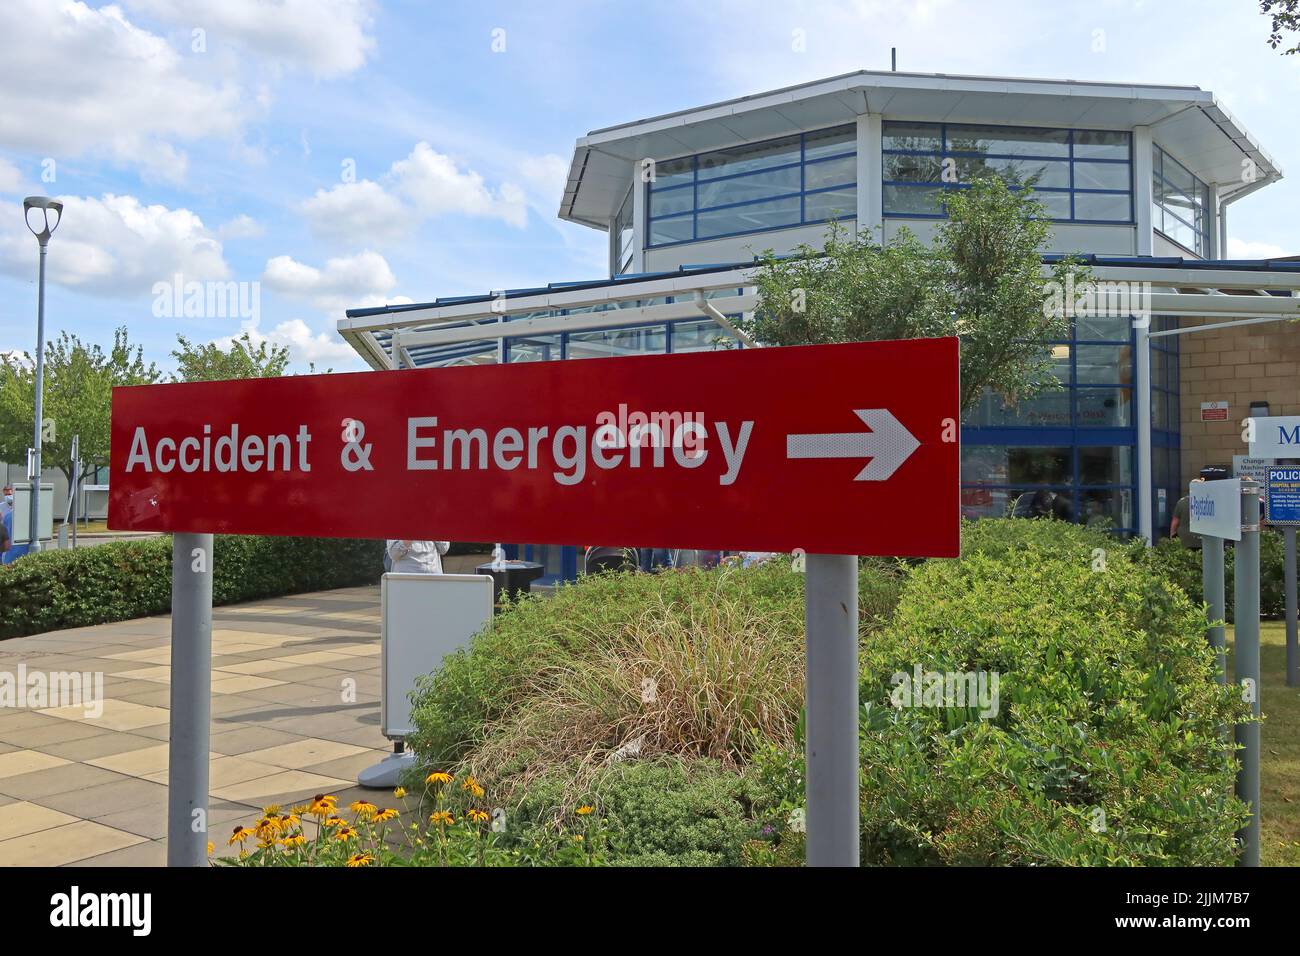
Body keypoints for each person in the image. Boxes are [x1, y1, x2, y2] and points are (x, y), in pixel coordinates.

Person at [1170, 477, 1205, 549]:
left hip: (1184, 539)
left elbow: (1175, 522)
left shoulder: (1181, 502)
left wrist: (1172, 535)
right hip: (1201, 539)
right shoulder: (1206, 502)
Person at [385, 539, 450, 574]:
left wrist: (433, 527)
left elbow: (444, 549)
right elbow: (393, 553)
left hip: (433, 580)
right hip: (406, 583)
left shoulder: (435, 520)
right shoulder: (397, 519)